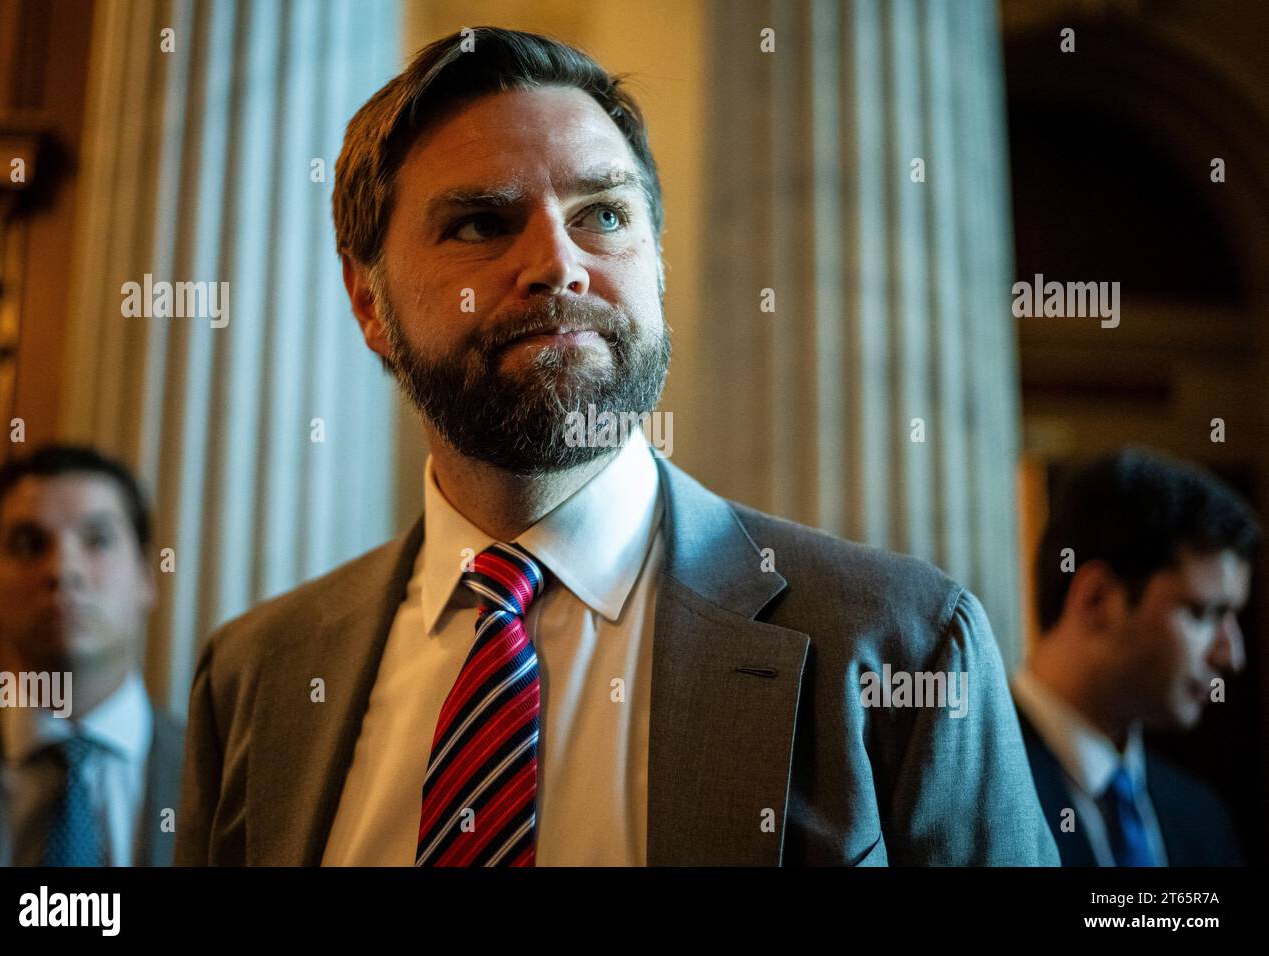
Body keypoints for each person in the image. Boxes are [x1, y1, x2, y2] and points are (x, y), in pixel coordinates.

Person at [175, 26, 1057, 866]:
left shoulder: (900, 643)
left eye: (601, 214)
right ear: (368, 301)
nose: (557, 264)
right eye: (482, 223)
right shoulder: (255, 675)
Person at [1014, 447, 1258, 866]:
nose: (1232, 656)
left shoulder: (1202, 818)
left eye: (1233, 617)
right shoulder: (967, 785)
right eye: (1203, 613)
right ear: (1098, 599)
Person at [0, 444, 183, 866]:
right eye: (29, 543)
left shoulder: (218, 781)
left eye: (97, 539)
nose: (63, 570)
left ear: (146, 578)